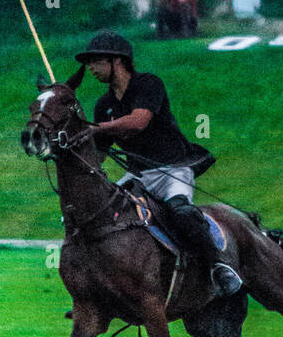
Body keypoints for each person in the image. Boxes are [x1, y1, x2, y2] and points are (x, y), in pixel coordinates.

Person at [76, 30, 242, 296]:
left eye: (95, 60)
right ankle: (97, 288)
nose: (90, 68)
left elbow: (138, 121)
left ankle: (219, 266)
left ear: (117, 61)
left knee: (182, 212)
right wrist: (72, 148)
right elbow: (98, 155)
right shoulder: (104, 104)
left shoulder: (148, 84)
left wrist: (96, 128)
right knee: (102, 214)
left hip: (172, 170)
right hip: (138, 176)